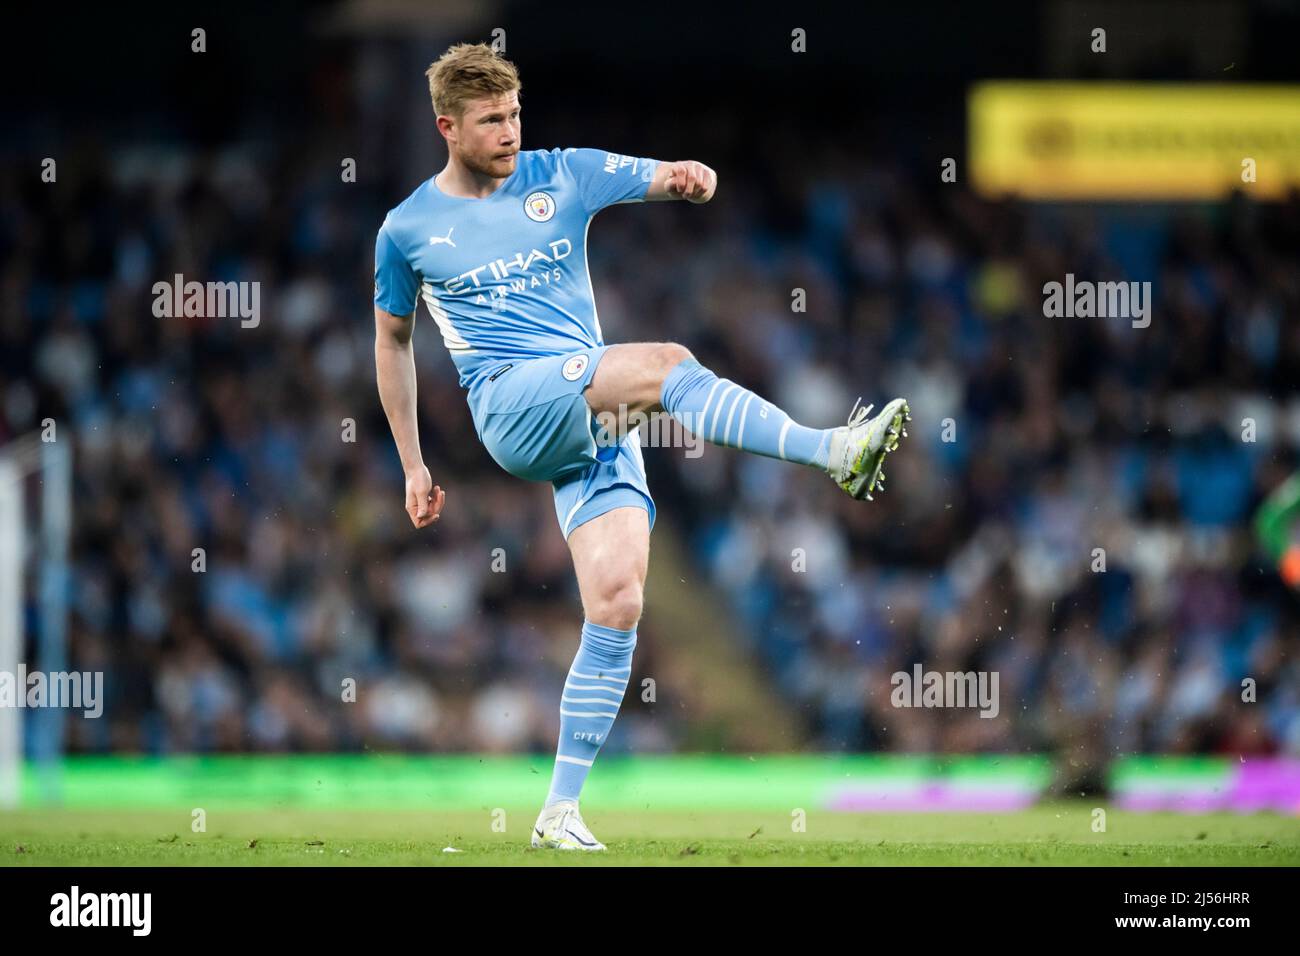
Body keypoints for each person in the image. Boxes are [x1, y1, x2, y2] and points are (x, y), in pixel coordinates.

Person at [373, 43, 910, 851]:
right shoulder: (408, 228)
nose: (512, 131)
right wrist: (413, 462)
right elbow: (391, 342)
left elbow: (661, 174)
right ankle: (832, 451)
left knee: (618, 602)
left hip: (588, 414)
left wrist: (690, 175)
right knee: (667, 366)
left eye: (516, 113)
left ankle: (557, 811)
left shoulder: (562, 172)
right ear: (447, 126)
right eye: (491, 121)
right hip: (514, 407)